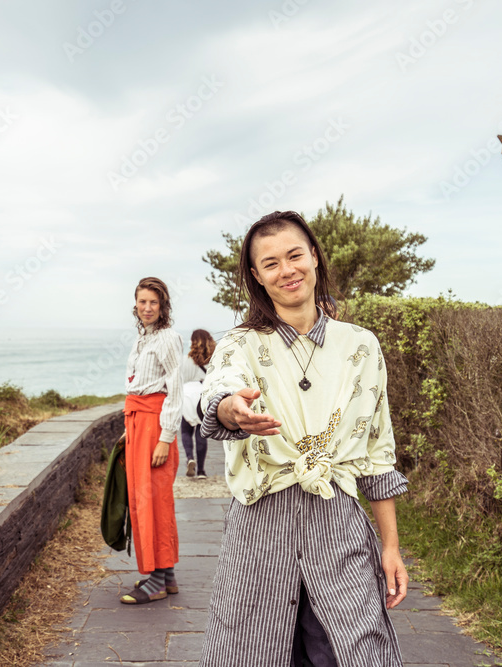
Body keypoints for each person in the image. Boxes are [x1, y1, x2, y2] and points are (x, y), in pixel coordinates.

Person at [198, 211, 409, 666]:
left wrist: (391, 548)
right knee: (250, 650)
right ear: (256, 276)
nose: (286, 270)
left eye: (295, 255)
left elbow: (378, 453)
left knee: (354, 649)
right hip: (260, 530)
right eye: (270, 263)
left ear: (314, 256)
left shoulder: (361, 346)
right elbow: (220, 389)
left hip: (338, 523)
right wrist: (233, 409)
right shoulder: (239, 344)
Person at [120, 277, 183, 604]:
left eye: (153, 303)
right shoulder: (143, 338)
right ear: (136, 304)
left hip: (156, 426)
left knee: (153, 500)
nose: (147, 308)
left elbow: (175, 388)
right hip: (139, 424)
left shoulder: (168, 338)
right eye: (142, 302)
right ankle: (167, 574)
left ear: (163, 306)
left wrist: (165, 437)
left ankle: (155, 580)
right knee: (144, 498)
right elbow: (138, 384)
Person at [180, 329, 216, 479]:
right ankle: (201, 470)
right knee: (201, 432)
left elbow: (179, 379)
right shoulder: (212, 360)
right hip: (203, 395)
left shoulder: (185, 360)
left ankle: (190, 458)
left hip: (187, 394)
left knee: (185, 430)